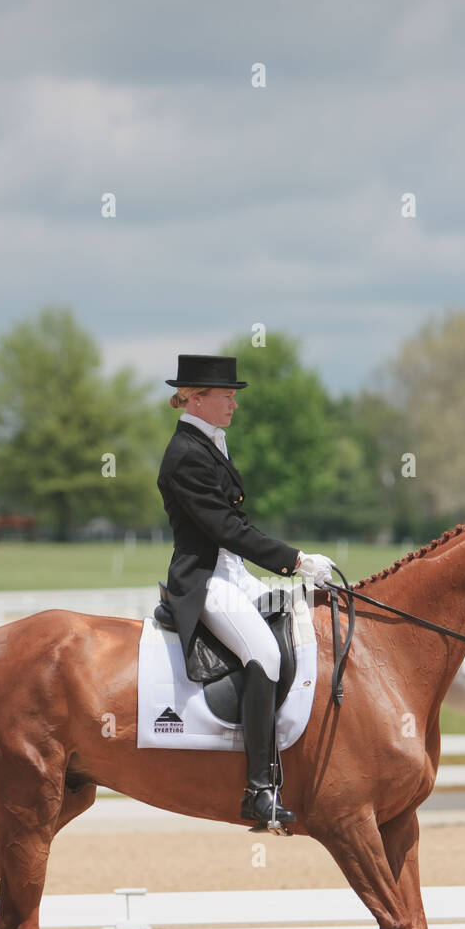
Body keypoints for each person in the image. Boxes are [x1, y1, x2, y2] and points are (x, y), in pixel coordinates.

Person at [157, 354, 334, 829]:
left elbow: (236, 525)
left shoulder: (211, 444)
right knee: (266, 657)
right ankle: (258, 789)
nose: (234, 405)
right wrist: (297, 561)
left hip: (233, 574)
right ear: (196, 399)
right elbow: (226, 530)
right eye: (227, 397)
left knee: (302, 628)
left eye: (234, 397)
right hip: (206, 580)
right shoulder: (186, 455)